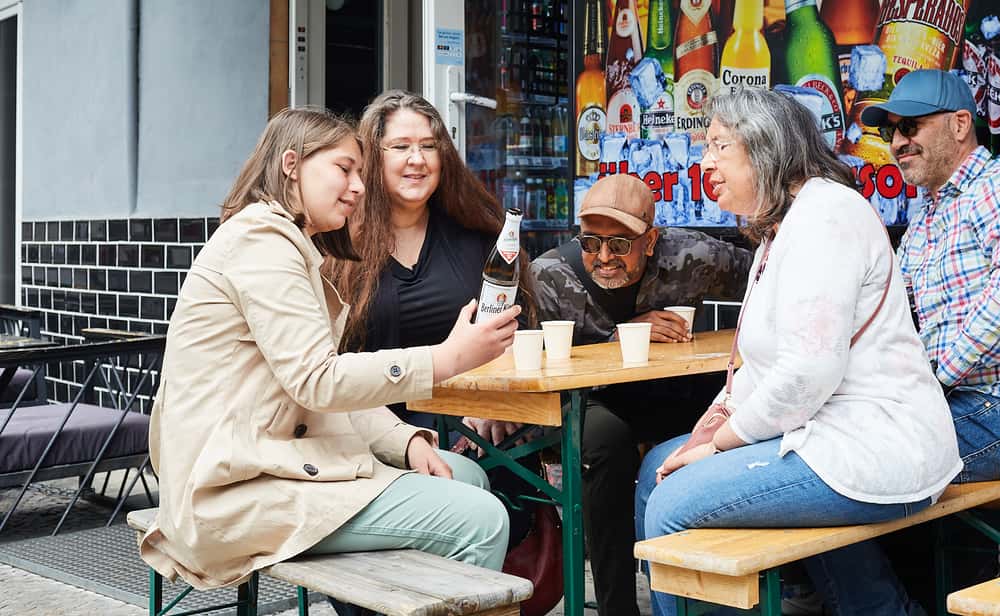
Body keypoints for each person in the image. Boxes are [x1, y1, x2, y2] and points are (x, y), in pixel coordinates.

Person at [138, 108, 521, 609]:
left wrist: (404, 441)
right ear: (292, 165)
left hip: (265, 466)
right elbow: (319, 381)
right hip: (230, 492)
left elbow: (311, 383)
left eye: (361, 172)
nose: (360, 186)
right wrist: (446, 359)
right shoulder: (262, 241)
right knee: (483, 516)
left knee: (465, 475)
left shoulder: (287, 244)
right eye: (345, 168)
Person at [635, 88, 963, 616]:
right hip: (821, 435)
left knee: (674, 502)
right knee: (658, 468)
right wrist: (709, 429)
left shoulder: (826, 215)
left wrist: (720, 445)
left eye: (719, 145)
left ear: (764, 146)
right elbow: (762, 366)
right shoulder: (781, 229)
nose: (705, 161)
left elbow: (808, 371)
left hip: (873, 444)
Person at [530, 173, 752, 616]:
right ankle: (618, 608)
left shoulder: (694, 254)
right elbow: (533, 366)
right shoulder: (549, 276)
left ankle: (710, 593)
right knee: (603, 440)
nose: (604, 257)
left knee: (724, 413)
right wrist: (618, 336)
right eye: (591, 243)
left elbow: (770, 276)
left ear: (650, 240)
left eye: (620, 244)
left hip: (671, 394)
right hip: (587, 403)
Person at [860, 69, 1000, 482]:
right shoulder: (922, 221)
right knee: (835, 448)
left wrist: (935, 379)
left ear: (959, 124)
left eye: (911, 126)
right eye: (891, 133)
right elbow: (890, 315)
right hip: (950, 405)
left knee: (855, 463)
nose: (898, 142)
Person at [324, 89, 535, 446]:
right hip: (374, 434)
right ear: (373, 157)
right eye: (401, 146)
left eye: (428, 146)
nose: (417, 159)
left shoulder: (477, 236)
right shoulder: (338, 246)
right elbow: (327, 369)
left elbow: (519, 330)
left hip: (478, 426)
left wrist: (495, 403)